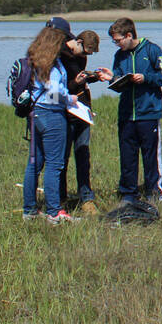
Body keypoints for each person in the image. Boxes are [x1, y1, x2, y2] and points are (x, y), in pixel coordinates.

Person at [106, 17, 162, 205]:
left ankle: (154, 191)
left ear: (128, 35)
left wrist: (145, 78)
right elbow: (117, 81)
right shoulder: (120, 56)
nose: (116, 44)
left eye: (118, 40)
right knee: (127, 155)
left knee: (150, 155)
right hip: (126, 114)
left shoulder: (152, 50)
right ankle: (128, 193)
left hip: (148, 112)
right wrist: (111, 79)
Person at [21, 25, 81, 225]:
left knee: (34, 164)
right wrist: (69, 99)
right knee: (54, 164)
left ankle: (29, 210)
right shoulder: (53, 66)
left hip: (36, 113)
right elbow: (54, 91)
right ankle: (54, 212)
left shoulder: (36, 61)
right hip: (52, 115)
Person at [57, 23, 107, 214]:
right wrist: (74, 83)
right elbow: (58, 89)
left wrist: (94, 77)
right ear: (77, 42)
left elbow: (82, 81)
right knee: (62, 158)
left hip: (82, 112)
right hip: (65, 112)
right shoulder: (60, 56)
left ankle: (86, 197)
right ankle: (60, 199)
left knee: (83, 154)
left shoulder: (82, 58)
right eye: (86, 51)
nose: (87, 56)